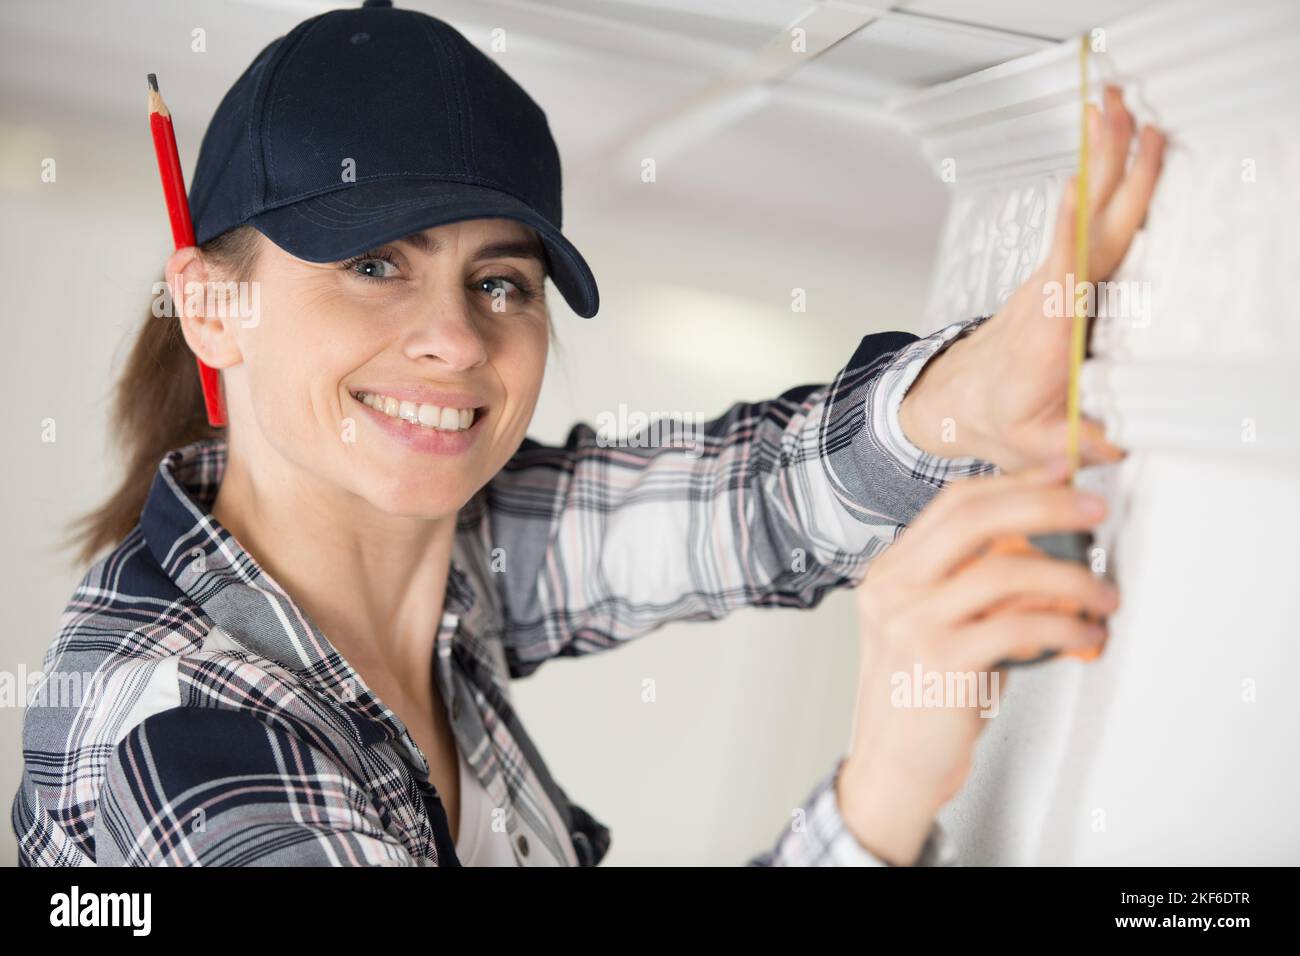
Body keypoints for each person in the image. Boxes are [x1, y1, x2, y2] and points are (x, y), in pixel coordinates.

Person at [11, 1, 1163, 866]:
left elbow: (750, 502)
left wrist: (980, 388)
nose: (455, 341)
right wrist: (884, 788)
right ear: (213, 305)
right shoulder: (183, 734)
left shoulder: (431, 544)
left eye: (500, 282)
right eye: (374, 266)